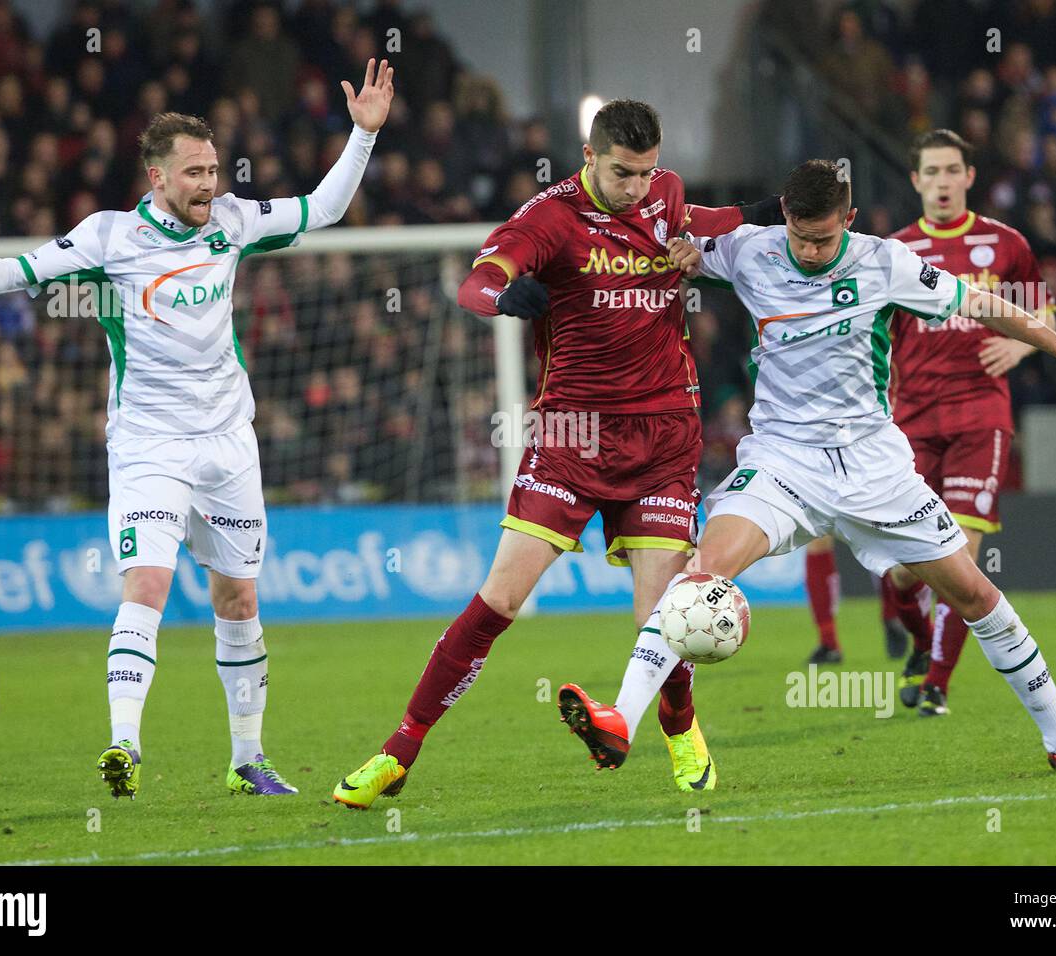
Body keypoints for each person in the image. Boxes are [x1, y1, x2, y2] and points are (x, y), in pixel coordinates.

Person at [561, 159, 1056, 776]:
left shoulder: (884, 261)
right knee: (700, 571)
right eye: (800, 236)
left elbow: (979, 303)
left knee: (975, 593)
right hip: (783, 461)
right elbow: (649, 238)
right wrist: (623, 255)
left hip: (875, 466)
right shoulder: (746, 250)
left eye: (825, 237)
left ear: (851, 219)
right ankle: (621, 719)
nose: (812, 251)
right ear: (783, 215)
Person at [0, 59, 395, 799]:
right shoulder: (110, 237)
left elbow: (325, 208)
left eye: (215, 169)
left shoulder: (233, 222)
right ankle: (124, 742)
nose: (208, 184)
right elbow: (23, 271)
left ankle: (247, 759)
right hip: (149, 443)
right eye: (194, 172)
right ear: (157, 176)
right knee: (149, 583)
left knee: (239, 601)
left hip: (228, 442)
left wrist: (363, 136)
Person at [332, 99, 781, 808]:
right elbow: (475, 281)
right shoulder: (551, 217)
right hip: (572, 438)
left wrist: (776, 207)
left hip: (664, 432)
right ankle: (400, 750)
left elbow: (711, 218)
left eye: (647, 172)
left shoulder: (663, 193)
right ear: (589, 154)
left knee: (661, 619)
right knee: (500, 598)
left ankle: (681, 726)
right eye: (622, 173)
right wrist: (507, 297)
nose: (638, 187)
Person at [886, 128, 1056, 718]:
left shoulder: (1004, 243)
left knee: (961, 551)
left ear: (969, 176)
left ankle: (936, 683)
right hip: (911, 424)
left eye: (950, 170)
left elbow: (1041, 309)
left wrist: (1020, 349)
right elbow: (876, 339)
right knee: (906, 574)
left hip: (982, 414)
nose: (941, 181)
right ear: (916, 180)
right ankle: (917, 636)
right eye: (929, 172)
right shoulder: (894, 252)